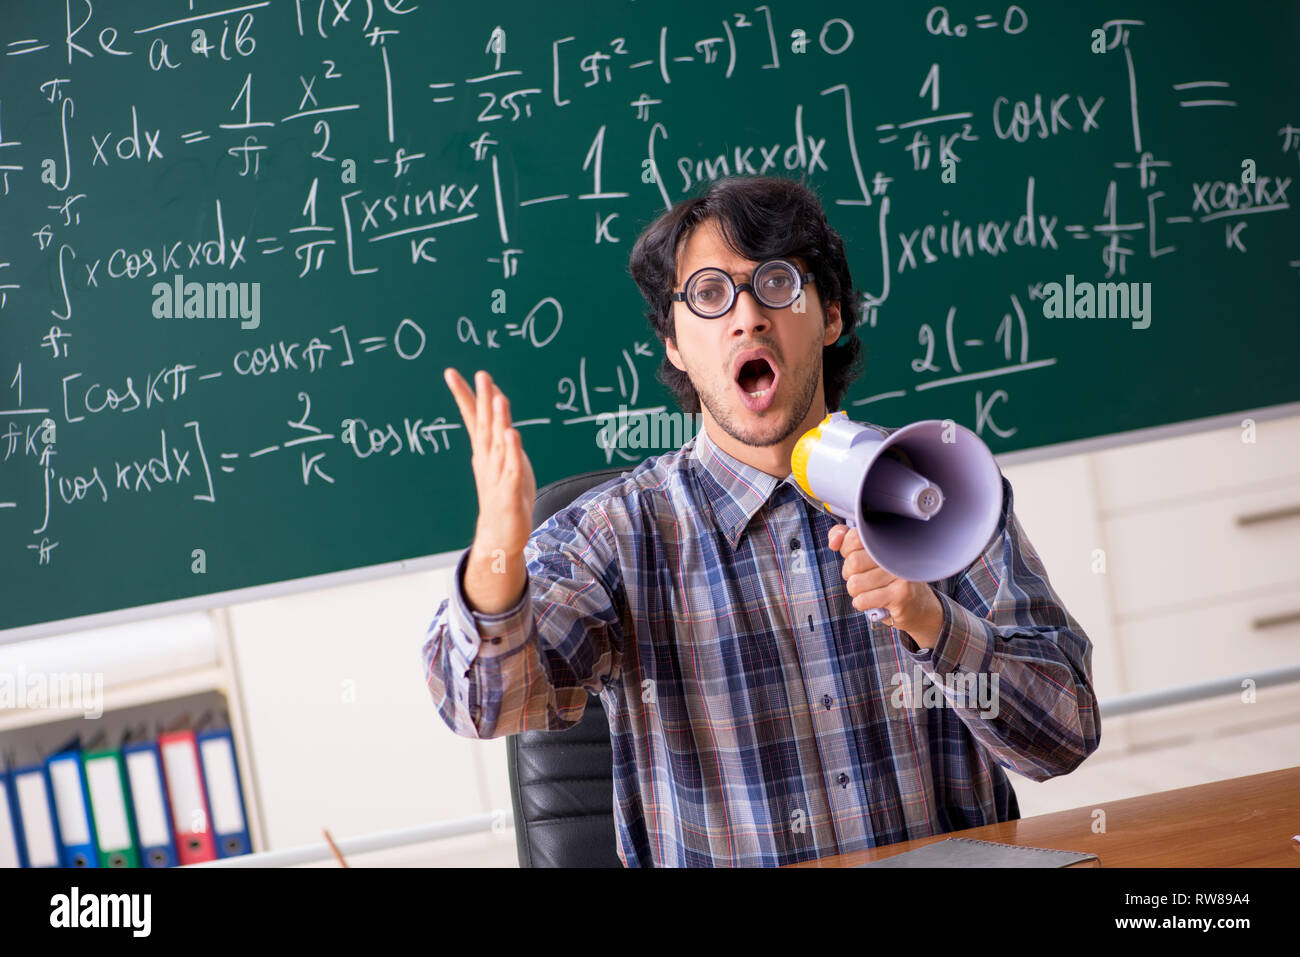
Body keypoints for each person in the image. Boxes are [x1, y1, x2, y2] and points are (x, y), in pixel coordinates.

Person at [422, 175, 1100, 867]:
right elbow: (481, 703)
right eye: (710, 295)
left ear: (831, 315)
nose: (746, 316)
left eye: (776, 282)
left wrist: (932, 620)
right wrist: (497, 556)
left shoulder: (935, 484)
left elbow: (1066, 735)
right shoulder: (616, 535)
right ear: (675, 345)